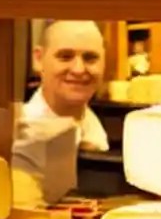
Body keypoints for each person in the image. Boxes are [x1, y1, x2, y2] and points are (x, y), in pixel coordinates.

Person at [21, 19, 109, 152]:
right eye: (65, 57)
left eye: (90, 58)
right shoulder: (15, 139)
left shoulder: (98, 134)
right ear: (38, 60)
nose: (78, 70)